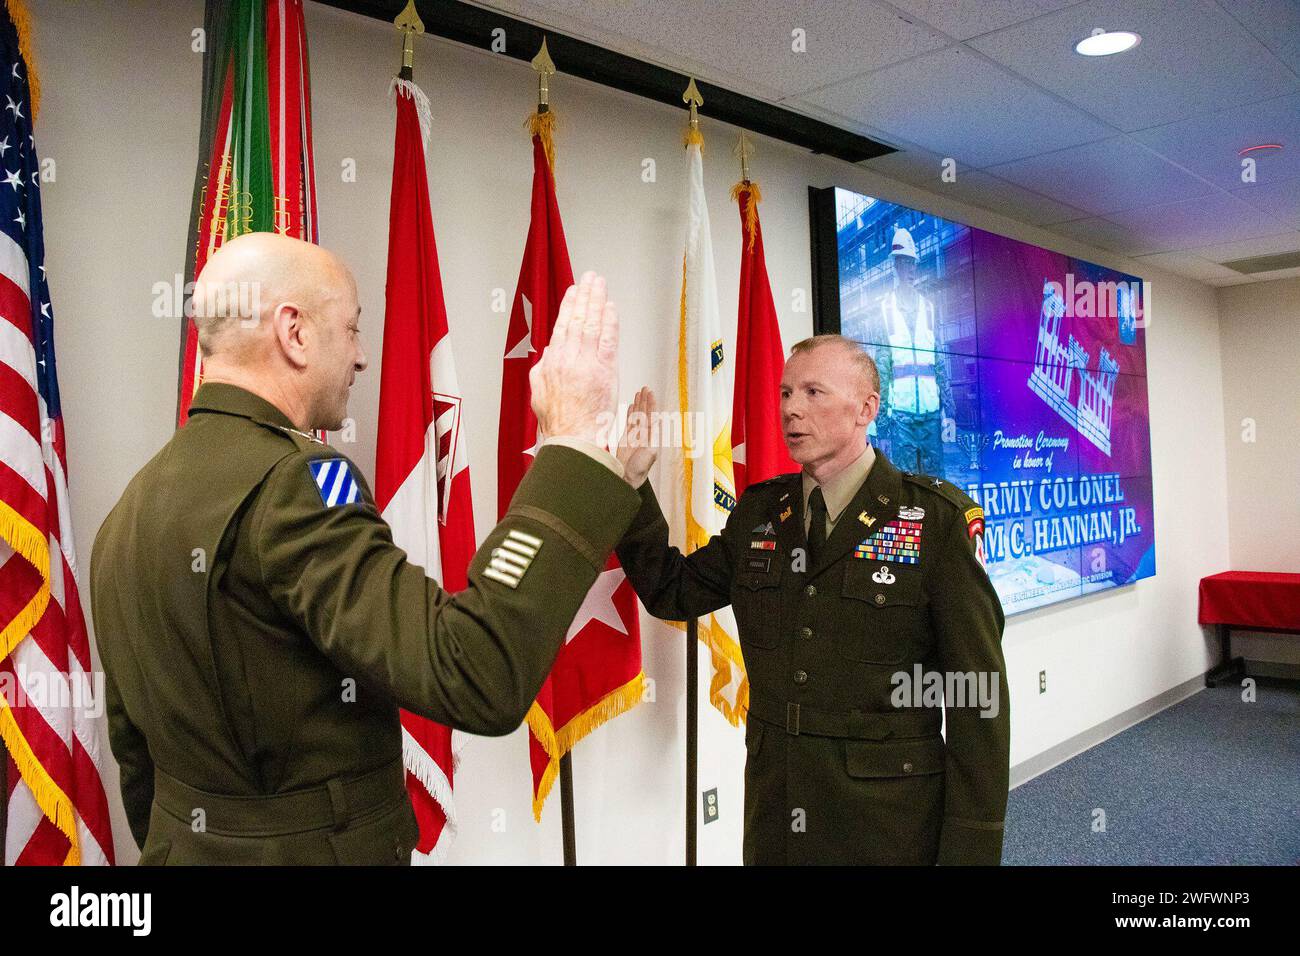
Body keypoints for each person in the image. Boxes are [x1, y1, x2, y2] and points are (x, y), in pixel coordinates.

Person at [90, 233, 638, 864]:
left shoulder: (128, 511)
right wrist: (568, 447)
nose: (361, 358)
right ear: (294, 333)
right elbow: (476, 671)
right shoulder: (296, 483)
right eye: (351, 329)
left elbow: (139, 766)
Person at [615, 334, 1009, 865]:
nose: (791, 409)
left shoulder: (933, 521)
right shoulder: (760, 513)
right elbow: (671, 590)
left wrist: (970, 849)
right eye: (784, 393)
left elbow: (975, 694)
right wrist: (633, 482)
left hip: (888, 824)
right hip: (778, 812)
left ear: (866, 408)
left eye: (813, 392)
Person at [875, 226, 951, 474]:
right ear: (896, 265)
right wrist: (883, 422)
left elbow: (939, 364)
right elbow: (882, 370)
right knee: (905, 486)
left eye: (913, 263)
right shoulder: (885, 311)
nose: (911, 269)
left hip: (930, 417)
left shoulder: (929, 309)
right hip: (902, 419)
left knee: (935, 486)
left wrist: (949, 412)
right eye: (906, 262)